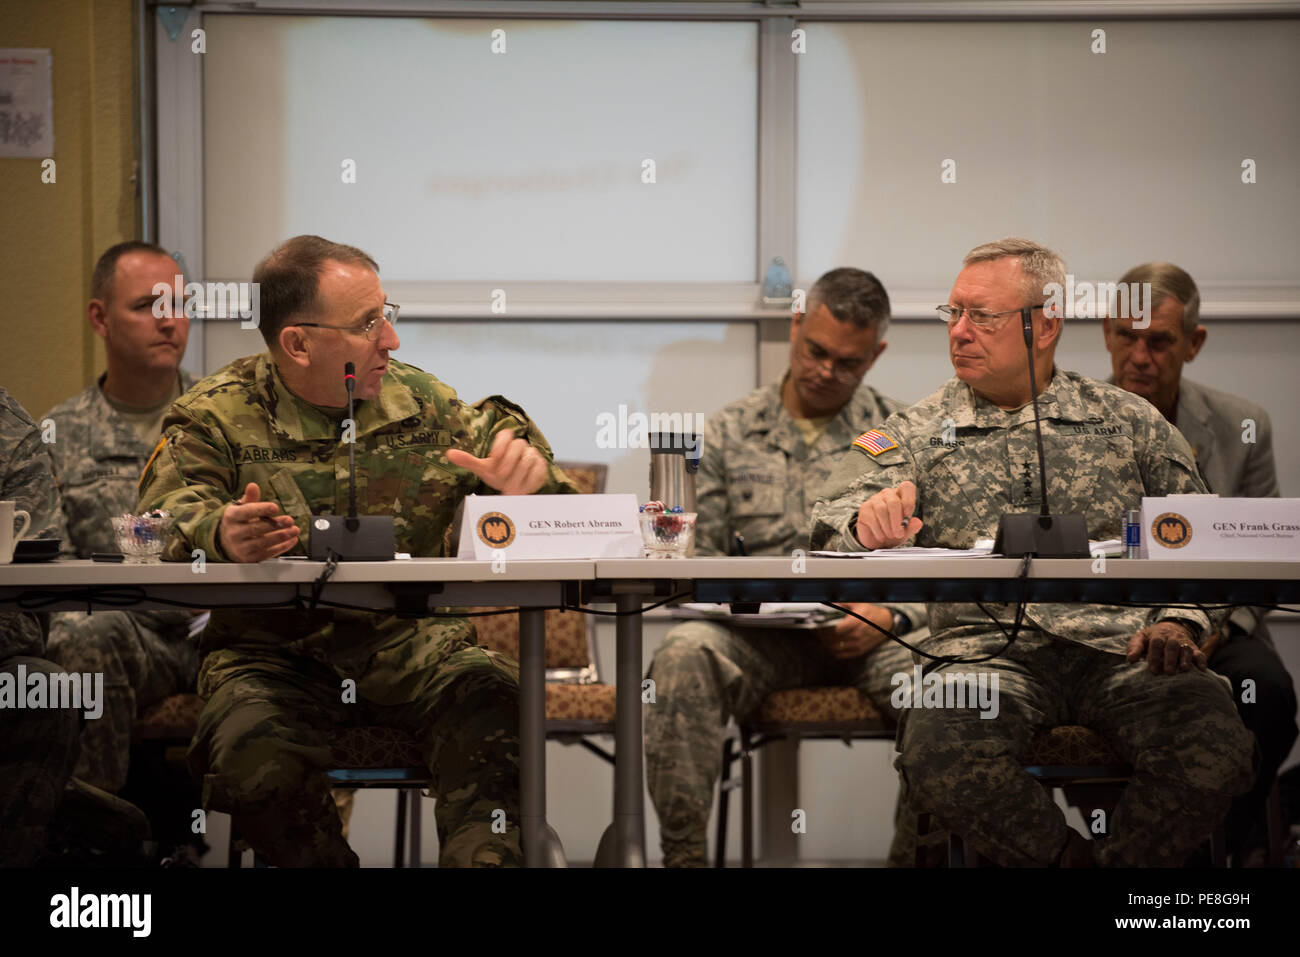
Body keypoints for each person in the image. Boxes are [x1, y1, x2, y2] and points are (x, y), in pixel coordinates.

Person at [811, 238, 1254, 867]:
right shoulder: (914, 431)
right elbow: (826, 522)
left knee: (1216, 746)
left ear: (1044, 326)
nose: (959, 332)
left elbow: (1206, 537)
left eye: (982, 317)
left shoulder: (1127, 422)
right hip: (984, 654)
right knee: (938, 740)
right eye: (953, 312)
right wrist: (864, 522)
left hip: (1122, 650)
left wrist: (1181, 619)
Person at [136, 234, 577, 867]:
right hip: (271, 655)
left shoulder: (426, 405)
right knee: (247, 748)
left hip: (412, 644)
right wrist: (220, 532)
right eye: (368, 324)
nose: (391, 340)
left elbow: (561, 514)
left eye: (387, 316)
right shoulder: (215, 416)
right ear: (298, 342)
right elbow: (159, 519)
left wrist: (530, 482)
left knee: (496, 701)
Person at [645, 268, 927, 867]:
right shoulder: (726, 433)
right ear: (796, 326)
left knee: (952, 683)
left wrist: (893, 614)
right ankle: (684, 861)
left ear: (875, 354)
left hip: (872, 634)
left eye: (847, 362)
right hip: (761, 639)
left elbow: (949, 561)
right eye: (815, 350)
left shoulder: (904, 437)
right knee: (681, 655)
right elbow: (701, 559)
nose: (826, 370)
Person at [1104, 261, 1297, 865]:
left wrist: (1208, 629)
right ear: (1107, 332)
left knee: (1265, 692)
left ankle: (1227, 848)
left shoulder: (1242, 428)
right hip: (1105, 622)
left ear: (1194, 342)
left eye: (1158, 341)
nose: (1139, 356)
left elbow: (1266, 555)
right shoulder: (1061, 422)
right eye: (1125, 336)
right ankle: (1136, 848)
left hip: (1222, 617)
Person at [41, 241, 202, 801]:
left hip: (226, 632)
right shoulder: (59, 434)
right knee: (82, 634)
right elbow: (47, 570)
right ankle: (95, 840)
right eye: (145, 306)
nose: (169, 322)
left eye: (179, 304)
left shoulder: (227, 419)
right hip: (128, 634)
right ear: (99, 318)